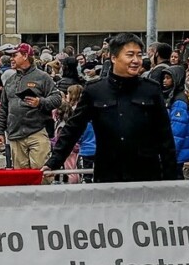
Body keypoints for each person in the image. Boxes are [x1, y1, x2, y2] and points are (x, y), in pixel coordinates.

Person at [46, 33, 179, 182]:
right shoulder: (94, 90)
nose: (136, 61)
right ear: (114, 58)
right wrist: (54, 161)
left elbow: (165, 135)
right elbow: (73, 128)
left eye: (139, 55)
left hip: (146, 176)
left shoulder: (151, 90)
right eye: (130, 55)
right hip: (108, 175)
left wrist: (171, 177)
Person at [154, 65, 189, 175]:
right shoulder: (170, 97)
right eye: (164, 78)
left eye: (168, 78)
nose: (164, 81)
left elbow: (177, 131)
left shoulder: (179, 101)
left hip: (176, 154)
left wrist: (168, 153)